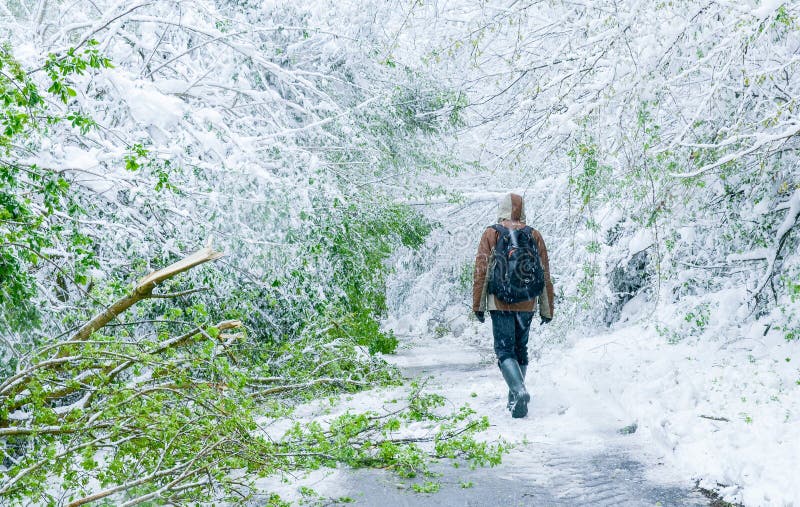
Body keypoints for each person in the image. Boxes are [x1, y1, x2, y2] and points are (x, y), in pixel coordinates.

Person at [472, 192, 554, 418]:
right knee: (521, 350)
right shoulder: (534, 234)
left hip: (500, 303)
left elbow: (481, 271)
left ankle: (518, 391)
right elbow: (544, 273)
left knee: (504, 350)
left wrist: (478, 305)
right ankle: (515, 400)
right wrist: (547, 308)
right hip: (527, 303)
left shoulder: (492, 233)